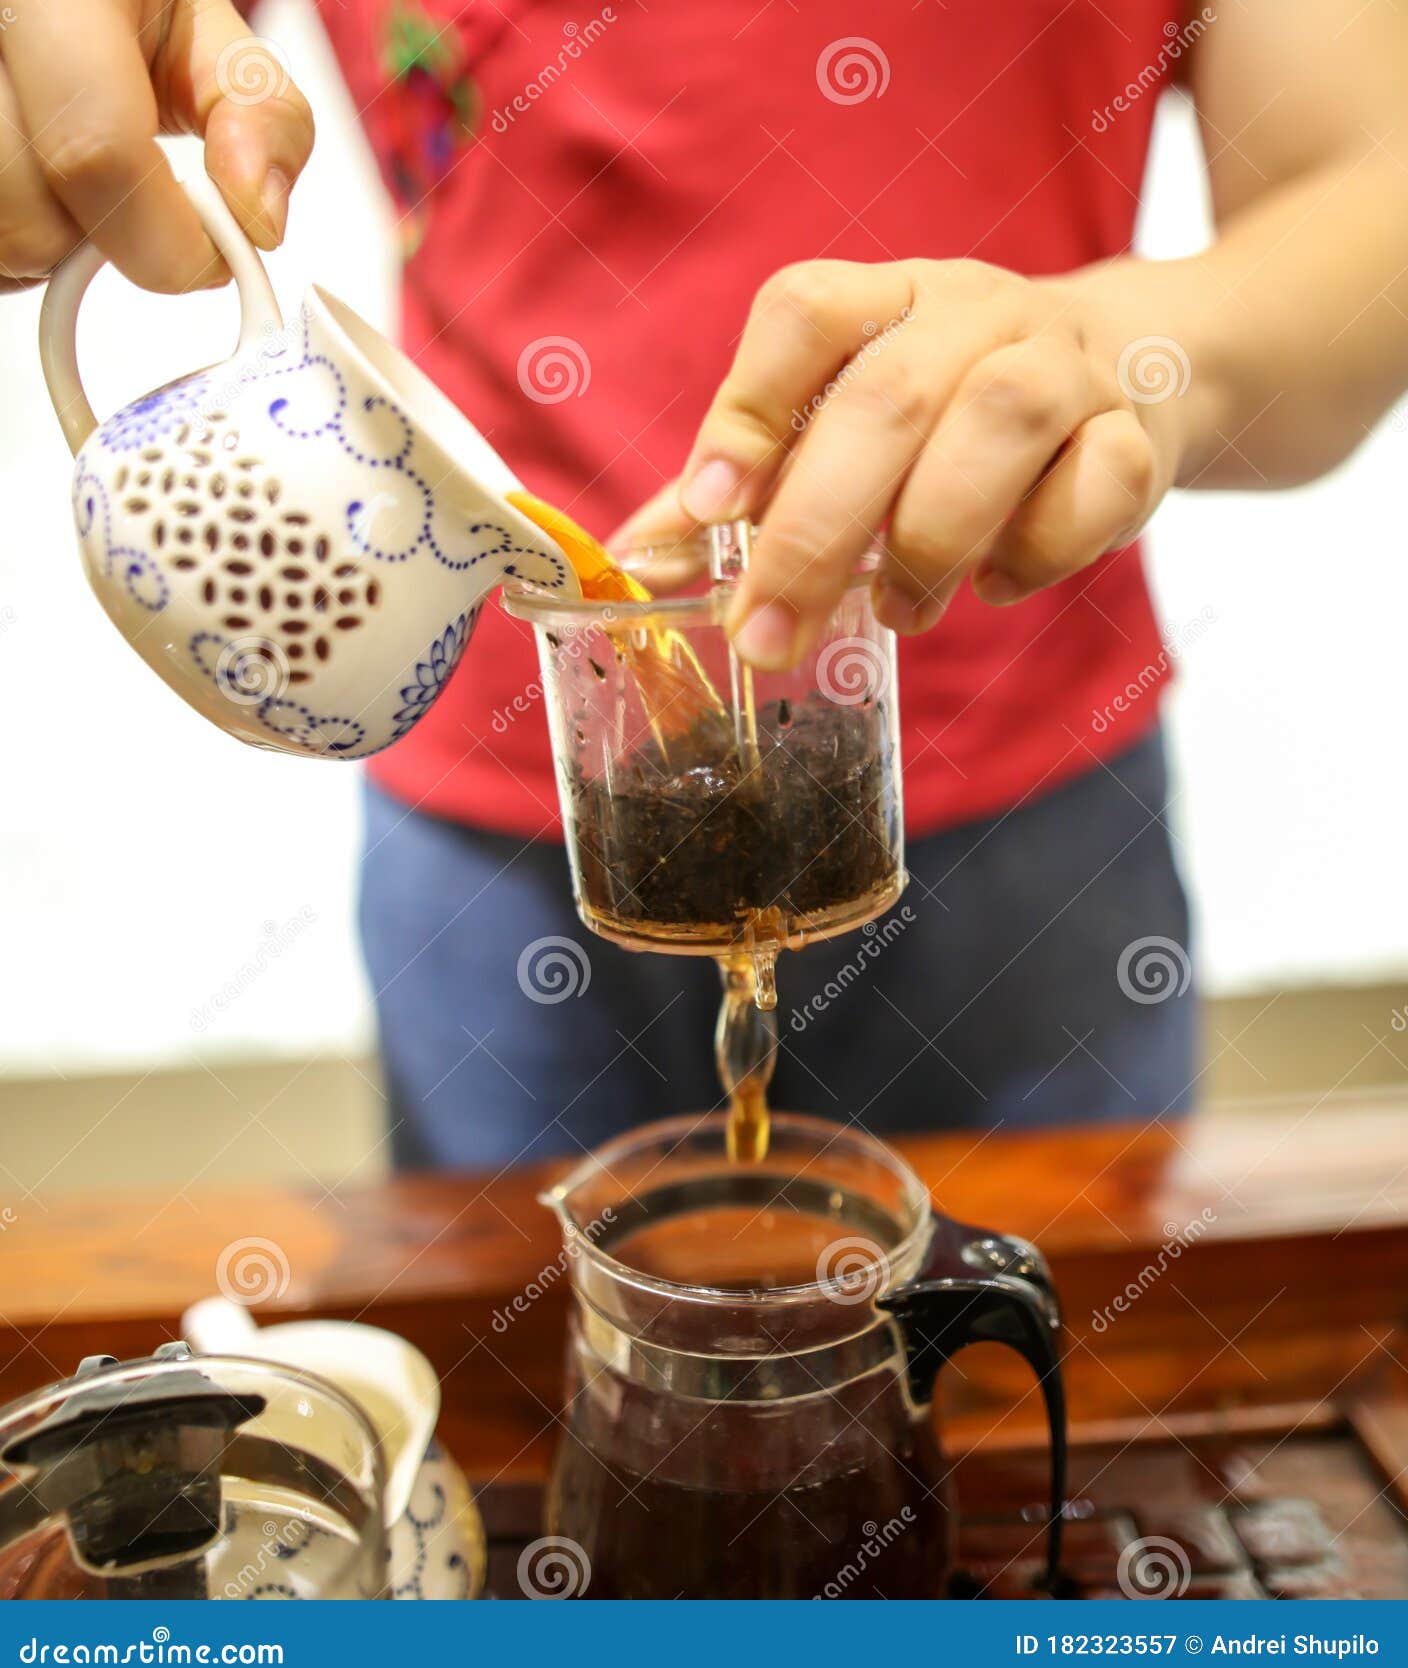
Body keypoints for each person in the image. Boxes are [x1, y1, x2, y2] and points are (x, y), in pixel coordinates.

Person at [6, 2, 1407, 1168]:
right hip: (490, 818)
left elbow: (1365, 181)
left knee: (1031, 1419)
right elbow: (136, 52)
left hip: (1028, 800)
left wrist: (1130, 346)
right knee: (554, 1408)